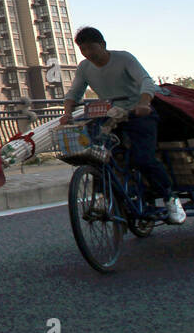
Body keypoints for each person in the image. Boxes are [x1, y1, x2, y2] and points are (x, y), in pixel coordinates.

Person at [59, 27, 185, 225]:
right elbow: (74, 93)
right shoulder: (84, 67)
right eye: (83, 50)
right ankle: (101, 198)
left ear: (103, 45)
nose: (88, 54)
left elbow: (146, 81)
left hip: (137, 114)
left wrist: (144, 103)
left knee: (143, 159)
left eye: (91, 48)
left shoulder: (124, 59)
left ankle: (171, 199)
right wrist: (67, 113)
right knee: (97, 157)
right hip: (110, 117)